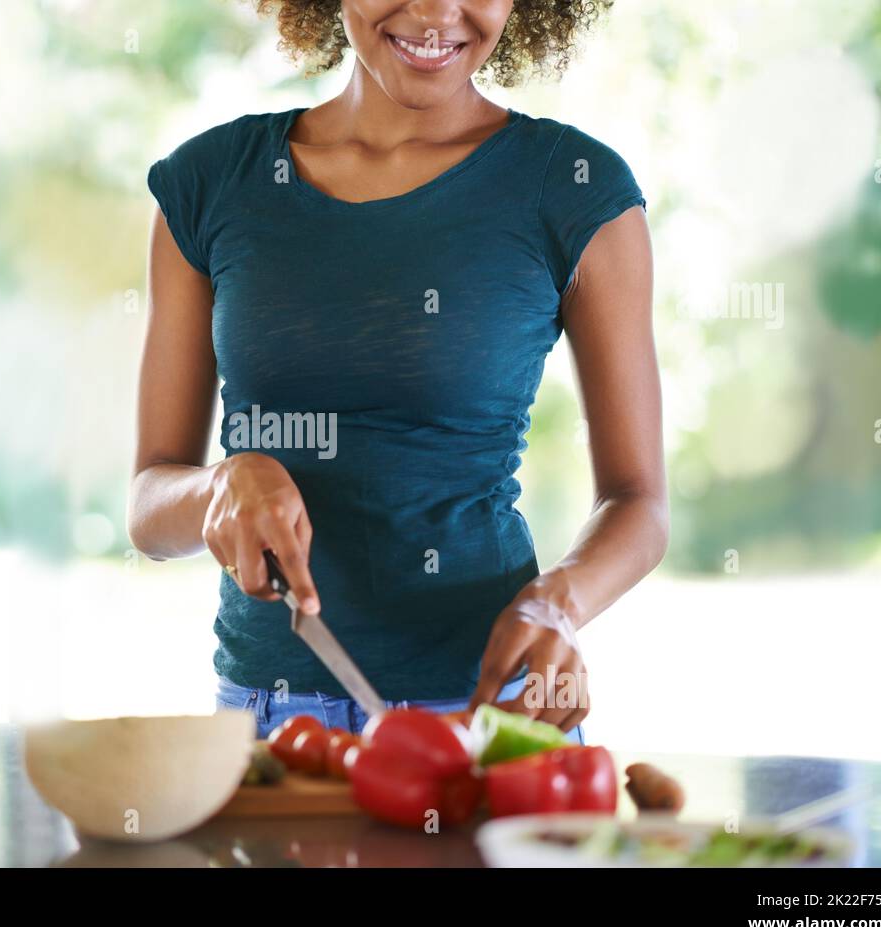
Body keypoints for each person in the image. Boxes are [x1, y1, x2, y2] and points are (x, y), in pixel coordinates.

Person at [128, 0, 667, 740]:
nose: (438, 11)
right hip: (269, 722)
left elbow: (639, 503)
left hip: (487, 715)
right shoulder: (209, 184)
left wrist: (558, 605)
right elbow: (150, 509)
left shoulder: (577, 191)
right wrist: (219, 486)